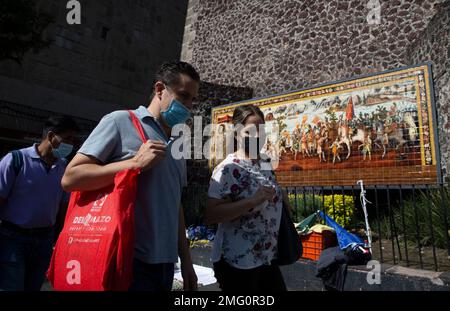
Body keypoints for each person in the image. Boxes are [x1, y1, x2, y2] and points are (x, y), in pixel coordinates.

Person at [61, 61, 199, 291]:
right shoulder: (119, 121)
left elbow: (176, 204)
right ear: (159, 89)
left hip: (165, 265)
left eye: (193, 99)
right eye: (183, 95)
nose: (188, 106)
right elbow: (70, 178)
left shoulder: (179, 143)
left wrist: (186, 261)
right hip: (126, 260)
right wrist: (134, 164)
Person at [205, 104, 289, 291]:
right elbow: (212, 214)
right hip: (238, 261)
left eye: (261, 129)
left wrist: (281, 197)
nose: (258, 136)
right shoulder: (228, 168)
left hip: (267, 256)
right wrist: (252, 201)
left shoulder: (265, 161)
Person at [0, 116, 79, 291]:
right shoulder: (16, 160)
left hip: (44, 241)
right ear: (51, 136)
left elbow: (63, 209)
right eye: (67, 139)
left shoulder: (64, 168)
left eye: (73, 140)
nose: (71, 144)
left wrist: (62, 240)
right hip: (13, 239)